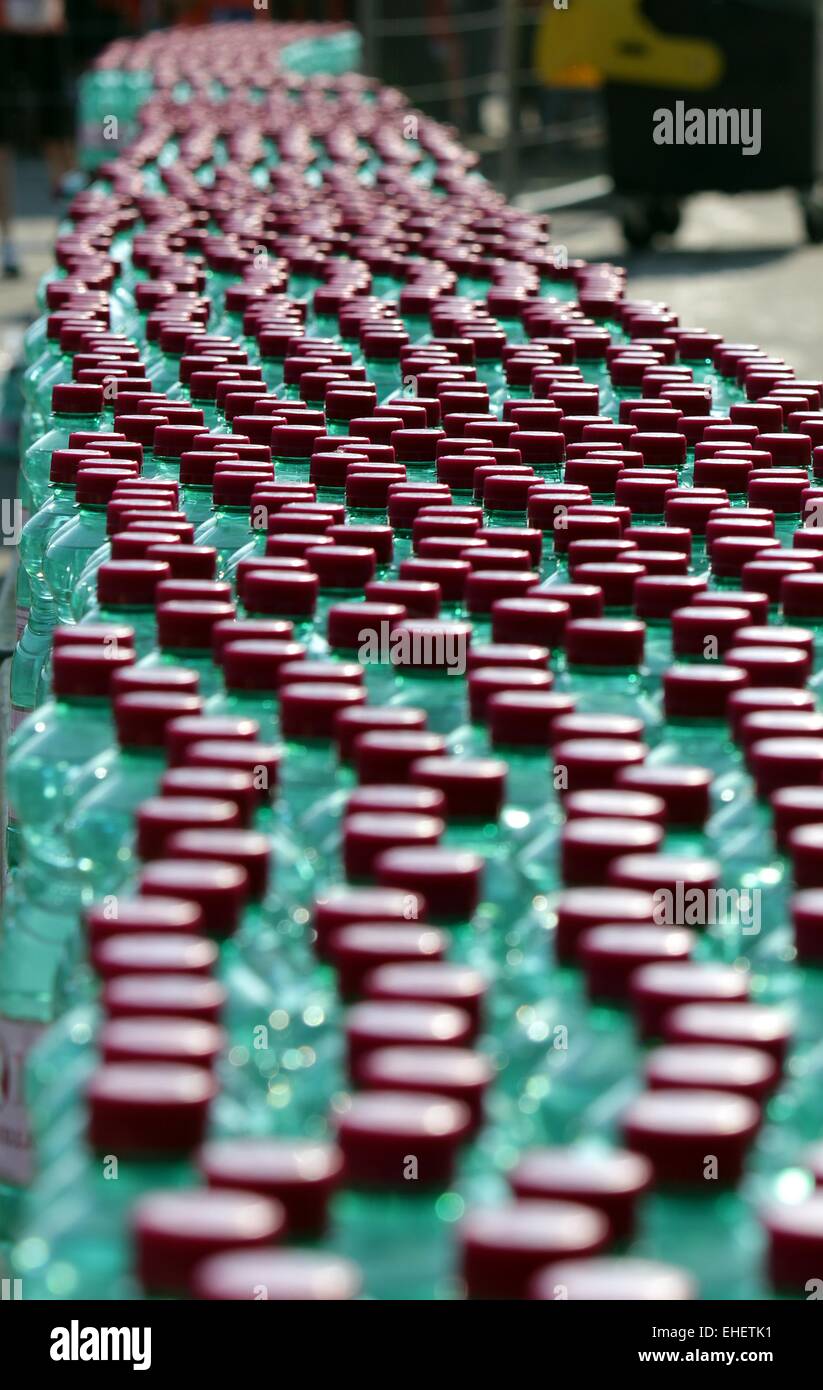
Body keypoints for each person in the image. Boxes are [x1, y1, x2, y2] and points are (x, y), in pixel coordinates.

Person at [0, 1, 75, 278]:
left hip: (48, 40)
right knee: (2, 149)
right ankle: (7, 242)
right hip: (7, 41)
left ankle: (71, 234)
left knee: (58, 143)